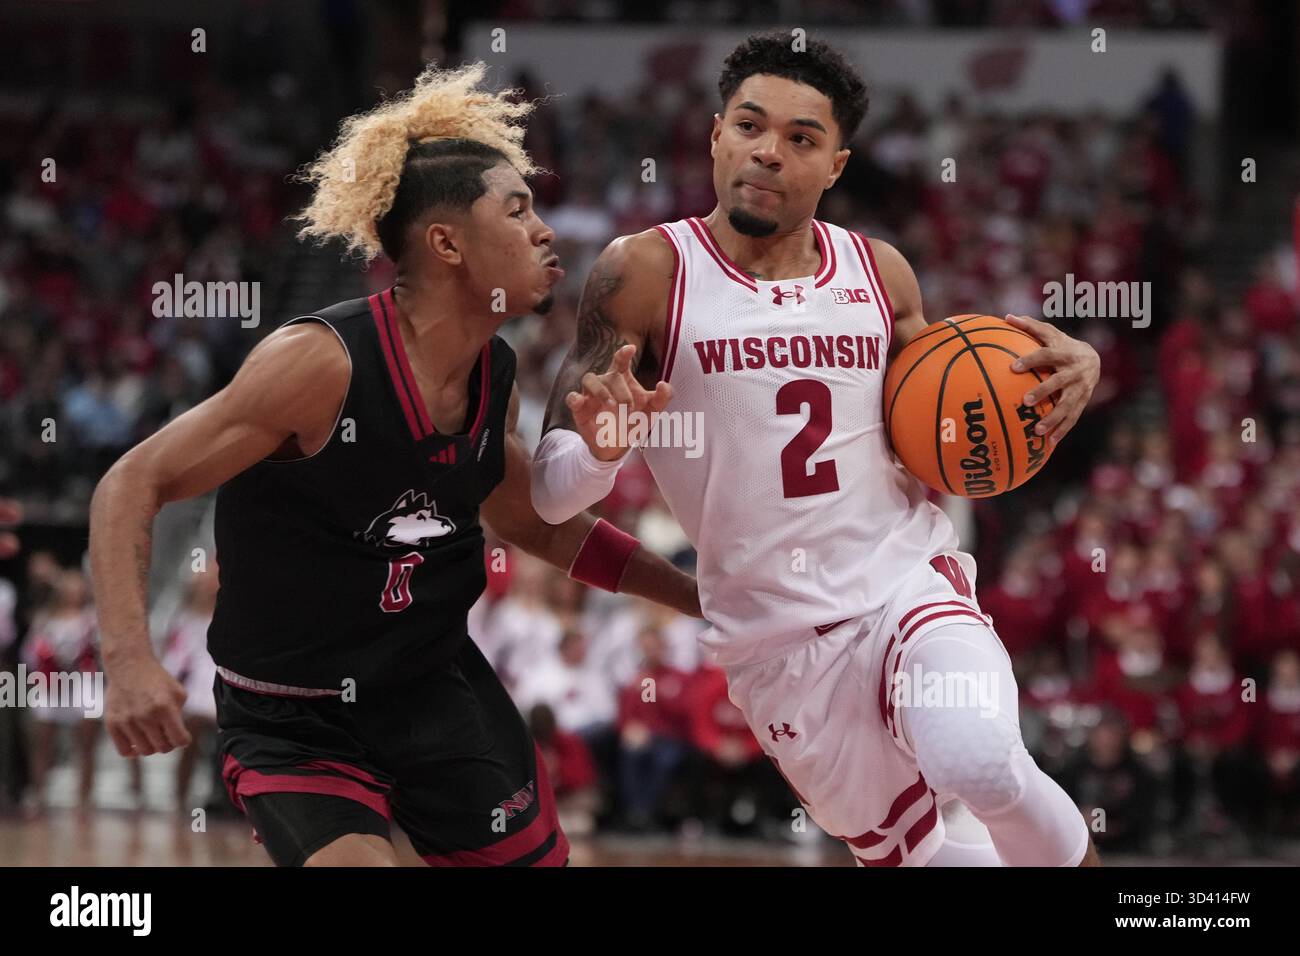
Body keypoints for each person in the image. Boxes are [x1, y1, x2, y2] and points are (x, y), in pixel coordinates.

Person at [90, 63, 700, 867]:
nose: (547, 231)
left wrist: (704, 599)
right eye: (518, 211)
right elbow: (131, 480)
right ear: (447, 243)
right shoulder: (319, 364)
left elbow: (537, 526)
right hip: (295, 718)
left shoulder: (495, 370)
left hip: (434, 689)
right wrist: (128, 660)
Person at [531, 33, 1102, 867]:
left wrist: (1074, 366)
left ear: (835, 164)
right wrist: (602, 452)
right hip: (775, 646)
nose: (770, 151)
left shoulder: (881, 274)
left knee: (977, 757)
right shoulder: (646, 271)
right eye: (752, 126)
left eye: (801, 138)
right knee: (914, 856)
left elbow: (957, 416)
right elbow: (547, 498)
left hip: (903, 585)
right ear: (717, 132)